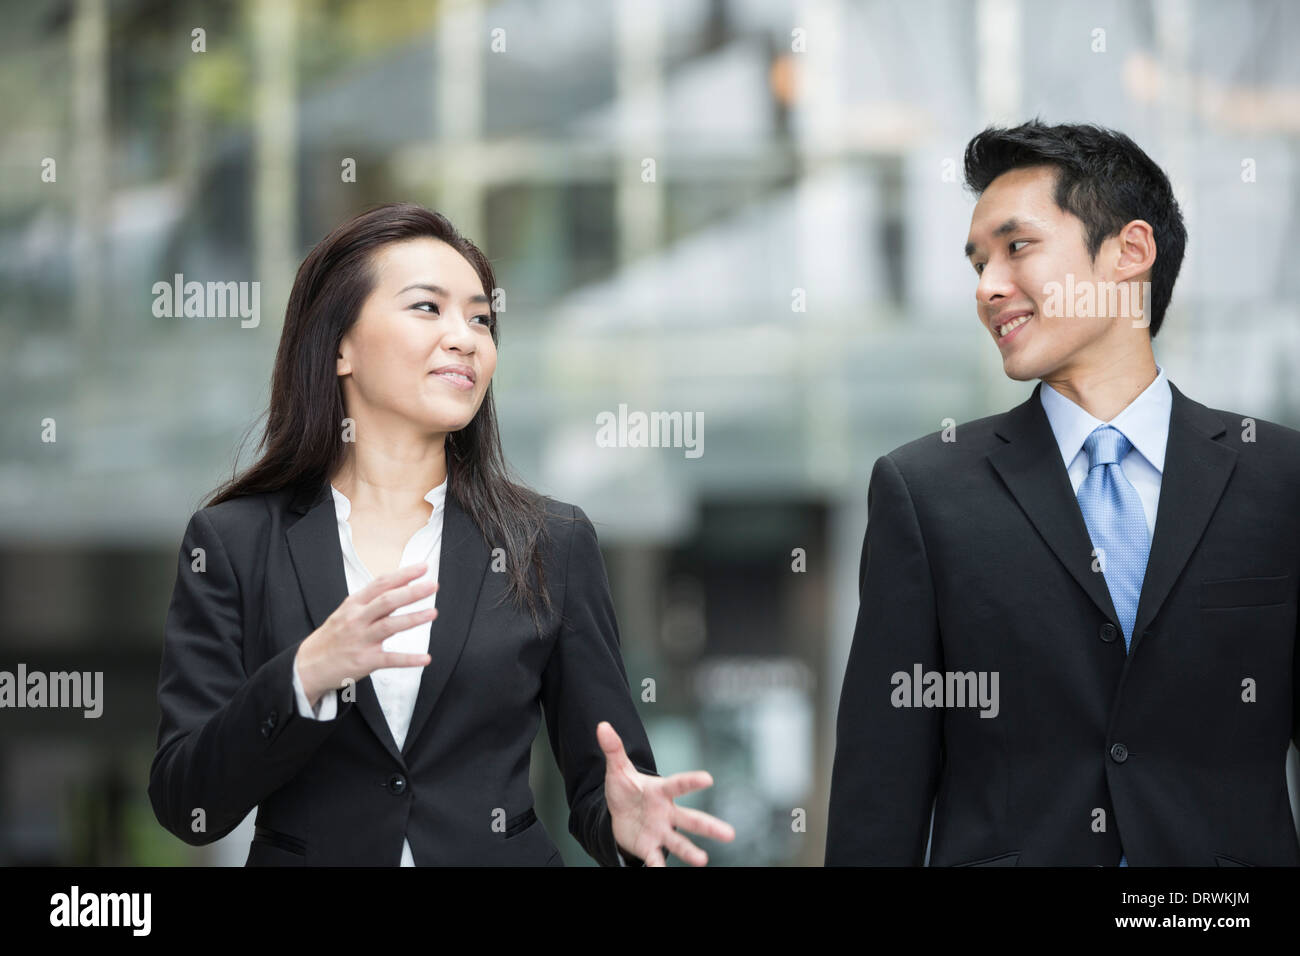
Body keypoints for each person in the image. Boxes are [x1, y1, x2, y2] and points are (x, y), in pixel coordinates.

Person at [149, 202, 735, 866]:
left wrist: (624, 827)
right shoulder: (234, 543)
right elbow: (185, 802)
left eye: (481, 318)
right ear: (339, 344)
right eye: (428, 308)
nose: (465, 338)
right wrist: (305, 675)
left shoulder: (551, 542)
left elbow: (605, 787)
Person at [826, 121, 1300, 866]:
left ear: (1129, 253)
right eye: (978, 263)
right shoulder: (925, 492)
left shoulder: (1278, 479)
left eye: (1018, 248)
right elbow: (879, 795)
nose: (988, 288)